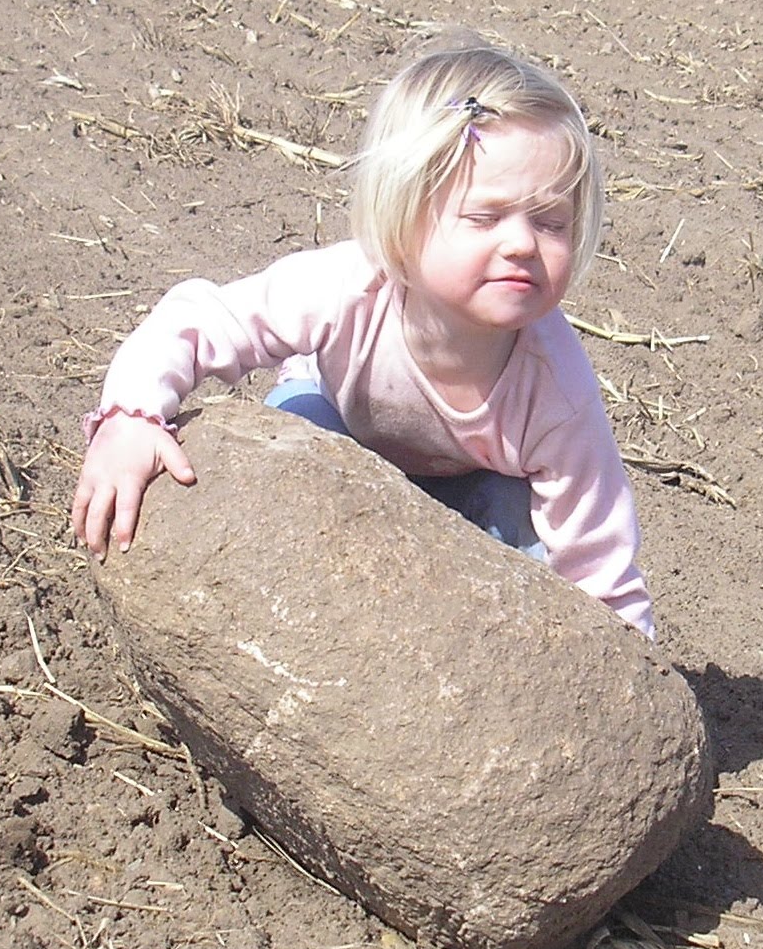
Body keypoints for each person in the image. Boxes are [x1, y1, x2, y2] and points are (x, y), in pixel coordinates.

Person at [71, 44, 654, 639]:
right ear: (400, 218)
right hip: (335, 425)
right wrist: (130, 417)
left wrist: (632, 673)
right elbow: (199, 319)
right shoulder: (346, 288)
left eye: (550, 222)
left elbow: (598, 565)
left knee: (525, 530)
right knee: (290, 441)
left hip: (467, 495)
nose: (523, 245)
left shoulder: (557, 391)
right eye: (484, 218)